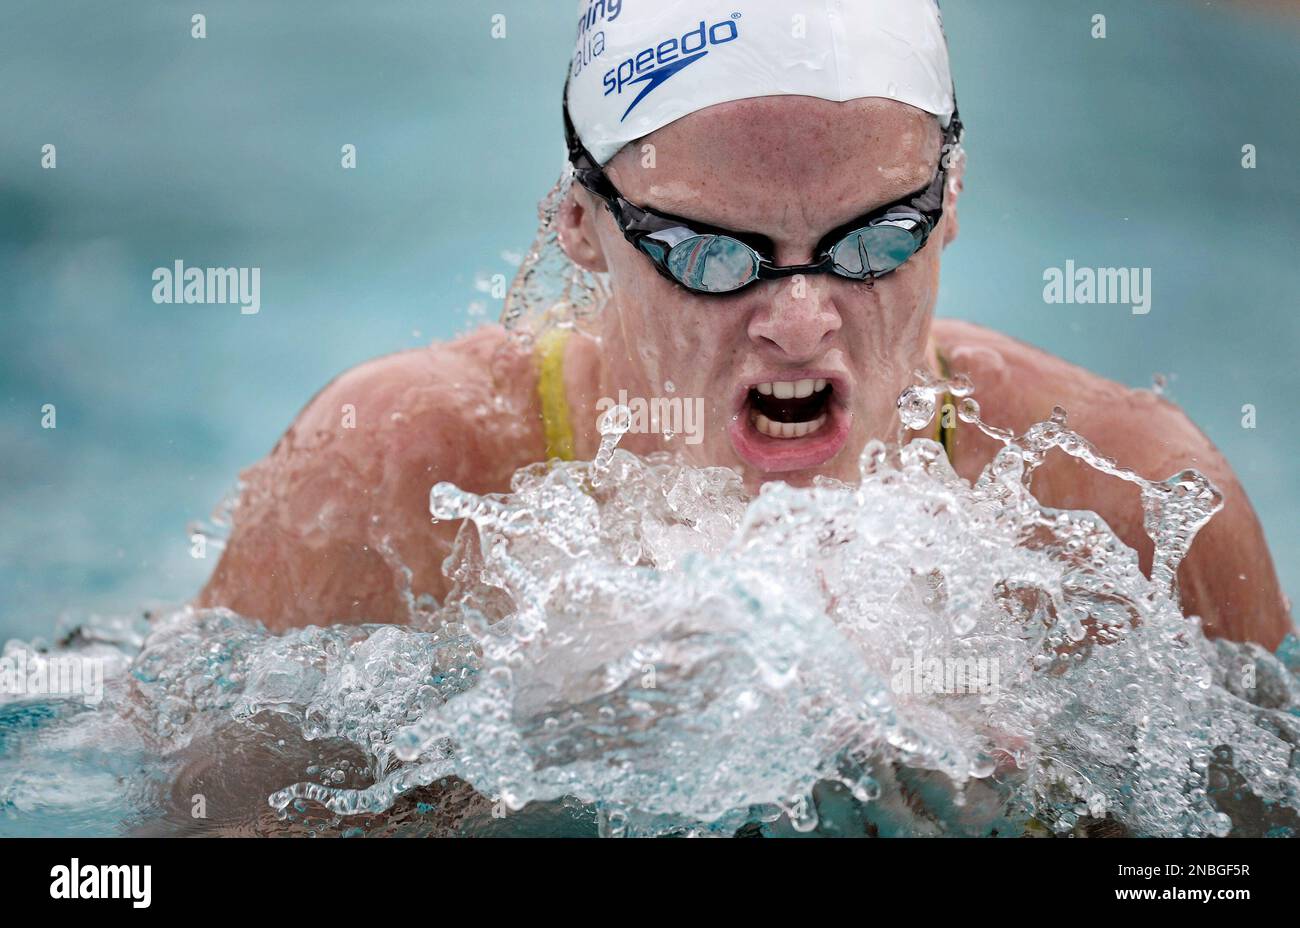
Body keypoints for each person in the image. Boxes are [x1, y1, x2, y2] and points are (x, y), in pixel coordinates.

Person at [197, 0, 1291, 648]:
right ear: (583, 227)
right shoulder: (396, 480)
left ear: (950, 203)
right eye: (712, 254)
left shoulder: (1133, 506)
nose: (801, 322)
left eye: (873, 240)